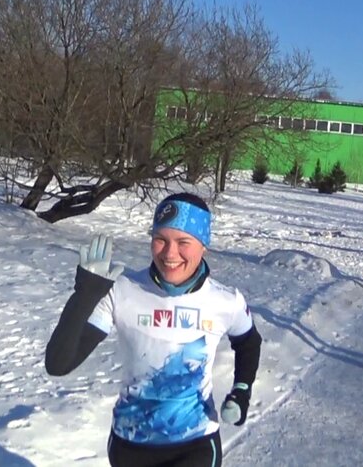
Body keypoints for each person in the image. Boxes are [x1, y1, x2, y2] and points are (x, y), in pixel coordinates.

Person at [45, 193, 262, 466]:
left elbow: (249, 342)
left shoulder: (226, 301)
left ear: (203, 245)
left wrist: (242, 389)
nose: (170, 254)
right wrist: (84, 295)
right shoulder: (122, 291)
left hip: (194, 445)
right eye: (161, 240)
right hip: (130, 445)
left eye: (184, 242)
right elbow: (58, 363)